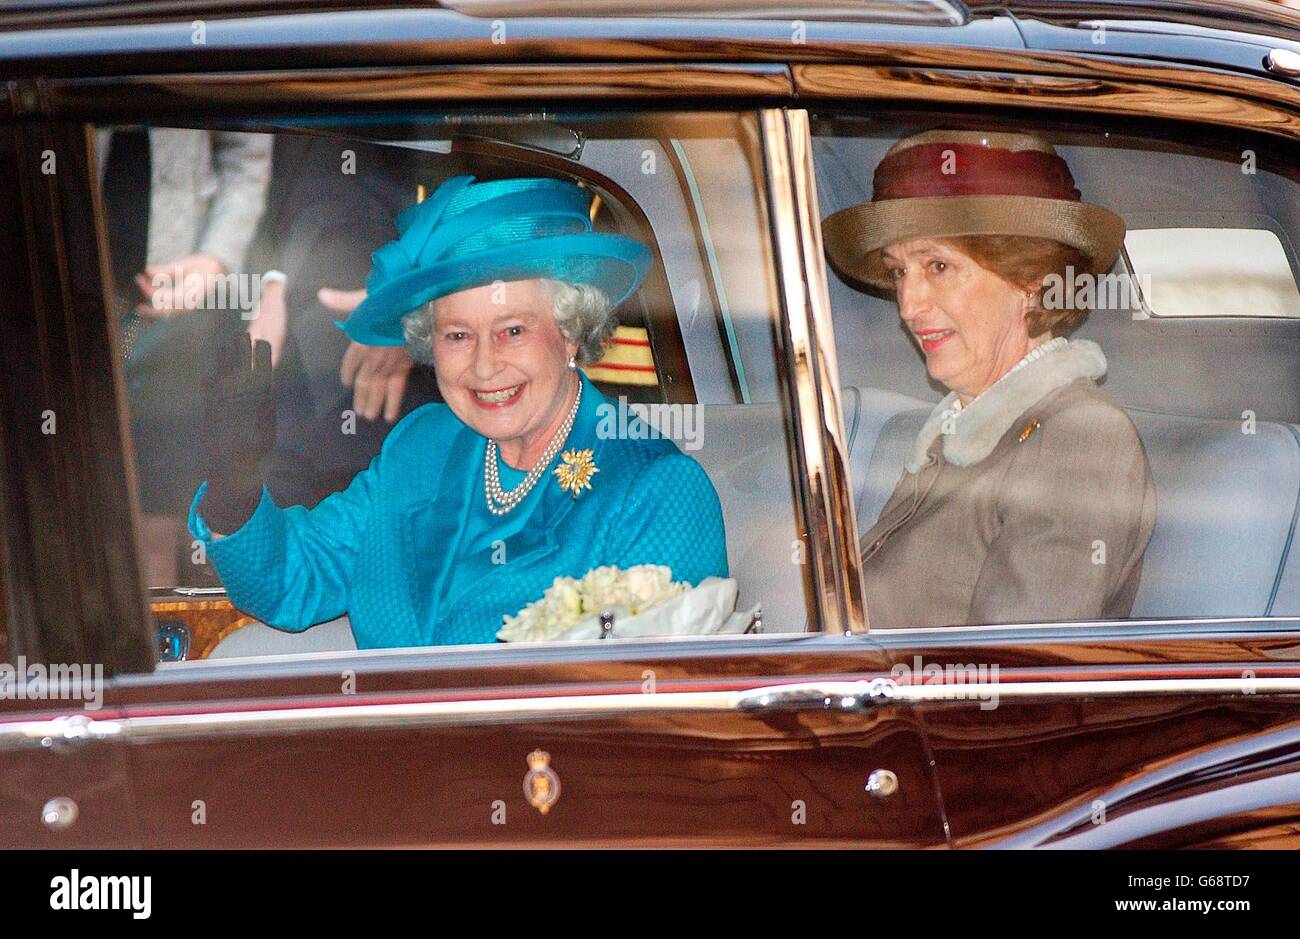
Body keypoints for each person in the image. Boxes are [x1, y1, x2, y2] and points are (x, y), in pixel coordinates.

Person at [188, 175, 729, 648]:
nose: (484, 365)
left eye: (512, 331)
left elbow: (655, 716)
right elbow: (295, 580)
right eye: (458, 335)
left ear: (569, 332)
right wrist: (235, 491)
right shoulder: (420, 446)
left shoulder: (655, 491)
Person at [823, 129, 1156, 628]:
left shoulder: (1079, 439)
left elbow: (1018, 685)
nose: (909, 306)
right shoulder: (959, 432)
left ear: (1030, 282)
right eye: (899, 272)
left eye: (938, 266)